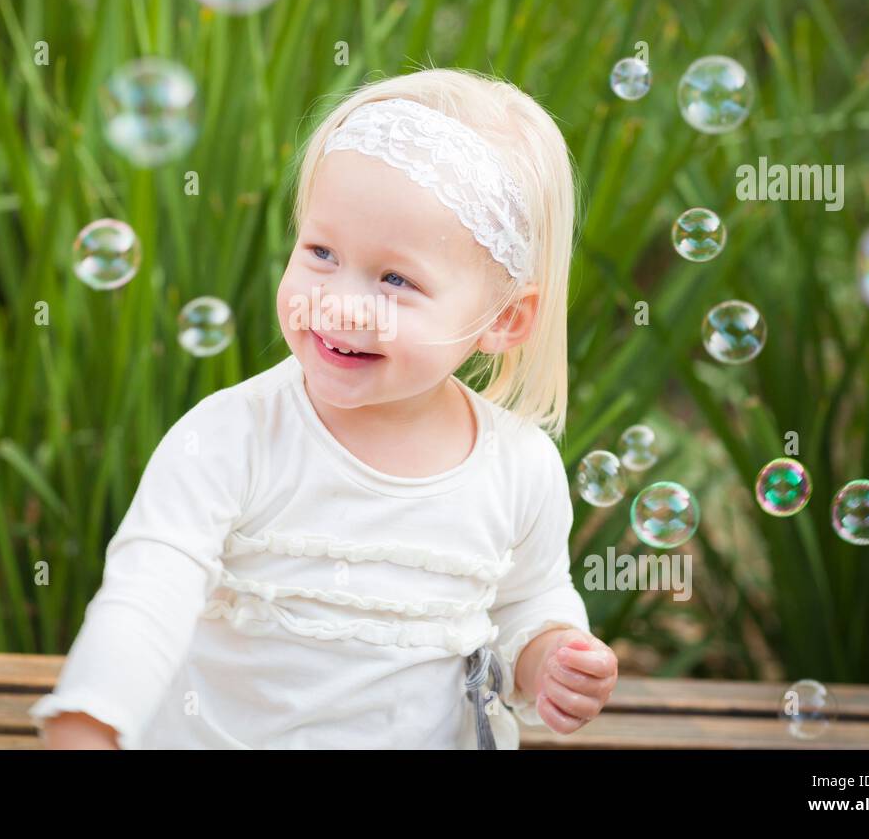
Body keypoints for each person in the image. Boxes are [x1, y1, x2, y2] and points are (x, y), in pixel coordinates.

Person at [31, 67, 618, 749]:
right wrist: (90, 718)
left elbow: (528, 600)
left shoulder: (518, 466)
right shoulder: (230, 438)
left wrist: (548, 656)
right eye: (320, 252)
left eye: (395, 279)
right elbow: (148, 593)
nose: (338, 302)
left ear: (505, 320)